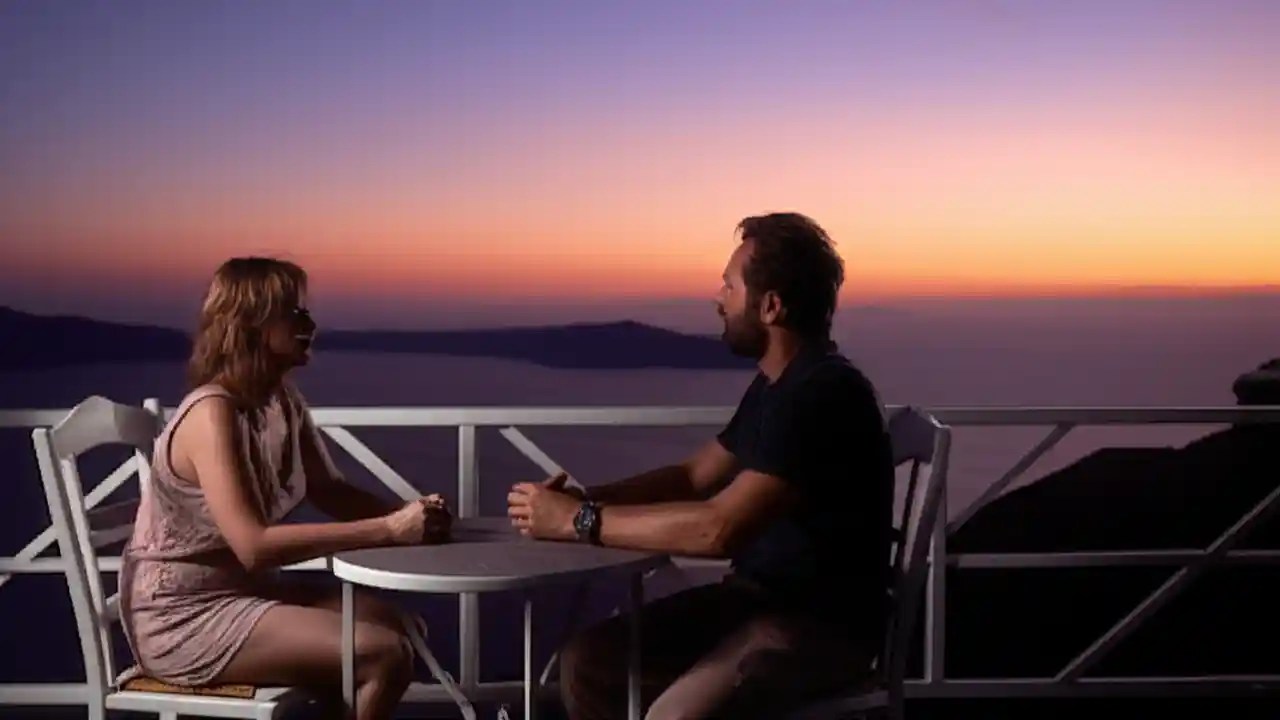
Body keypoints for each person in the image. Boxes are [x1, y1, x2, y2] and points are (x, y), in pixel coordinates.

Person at [507, 212, 895, 719]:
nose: (718, 301)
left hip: (817, 625)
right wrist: (584, 500)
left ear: (771, 306)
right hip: (756, 600)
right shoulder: (779, 386)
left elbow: (719, 530)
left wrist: (577, 523)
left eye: (728, 288)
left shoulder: (822, 394)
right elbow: (695, 476)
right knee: (588, 660)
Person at [120, 257, 451, 720]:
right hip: (184, 616)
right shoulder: (213, 414)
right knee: (384, 654)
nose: (310, 323)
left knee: (403, 627)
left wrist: (415, 516)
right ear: (249, 324)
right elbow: (253, 546)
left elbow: (330, 489)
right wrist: (392, 529)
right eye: (294, 313)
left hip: (248, 592)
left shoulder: (280, 399)